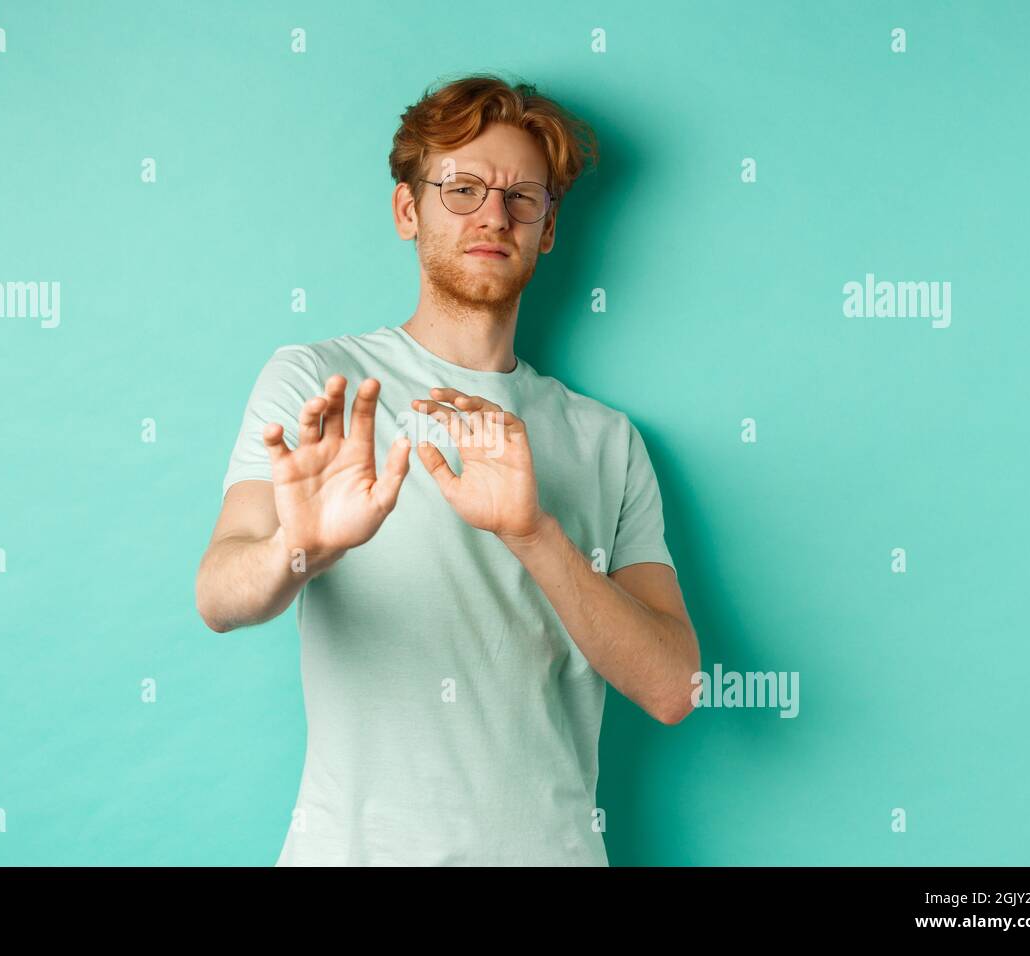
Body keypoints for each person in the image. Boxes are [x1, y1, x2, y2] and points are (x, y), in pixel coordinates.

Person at [195, 73, 699, 866]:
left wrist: (535, 536)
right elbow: (218, 597)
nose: (493, 216)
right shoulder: (318, 383)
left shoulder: (608, 440)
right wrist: (302, 546)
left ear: (548, 228)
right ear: (409, 210)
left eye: (521, 198)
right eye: (461, 189)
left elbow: (675, 689)